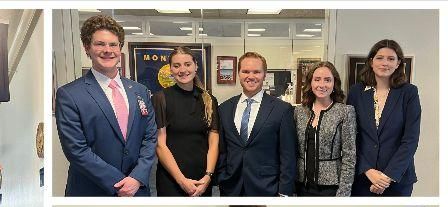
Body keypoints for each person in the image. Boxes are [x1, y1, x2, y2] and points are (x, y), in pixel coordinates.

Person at [55, 14, 157, 196]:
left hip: (137, 189)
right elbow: (76, 150)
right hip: (92, 191)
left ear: (120, 48)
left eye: (113, 44)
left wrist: (137, 177)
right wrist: (118, 183)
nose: (107, 50)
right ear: (87, 48)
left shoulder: (140, 91)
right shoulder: (69, 94)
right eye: (100, 44)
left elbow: (149, 138)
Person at [347, 39, 421, 196]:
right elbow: (350, 137)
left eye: (391, 59)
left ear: (398, 63)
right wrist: (367, 169)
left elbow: (410, 139)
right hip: (363, 178)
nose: (385, 63)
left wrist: (386, 178)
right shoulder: (356, 92)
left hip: (397, 180)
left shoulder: (409, 92)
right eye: (380, 58)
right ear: (371, 61)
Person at [216, 52, 296, 196]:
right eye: (245, 71)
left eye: (256, 72)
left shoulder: (282, 109)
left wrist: (284, 192)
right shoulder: (224, 108)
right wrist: (222, 177)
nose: (251, 76)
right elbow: (222, 150)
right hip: (231, 187)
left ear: (264, 75)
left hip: (267, 188)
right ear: (238, 74)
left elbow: (288, 155)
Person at [152, 46, 220, 196]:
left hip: (202, 179)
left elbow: (214, 142)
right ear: (170, 69)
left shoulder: (209, 100)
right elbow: (160, 144)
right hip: (171, 179)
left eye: (187, 64)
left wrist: (208, 176)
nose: (182, 70)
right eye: (176, 66)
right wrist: (181, 180)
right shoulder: (160, 99)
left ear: (196, 66)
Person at [294, 61, 357, 196]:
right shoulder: (299, 111)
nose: (322, 85)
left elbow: (349, 156)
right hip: (300, 186)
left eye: (327, 80)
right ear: (310, 83)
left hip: (330, 188)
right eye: (317, 79)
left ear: (334, 84)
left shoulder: (345, 112)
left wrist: (343, 192)